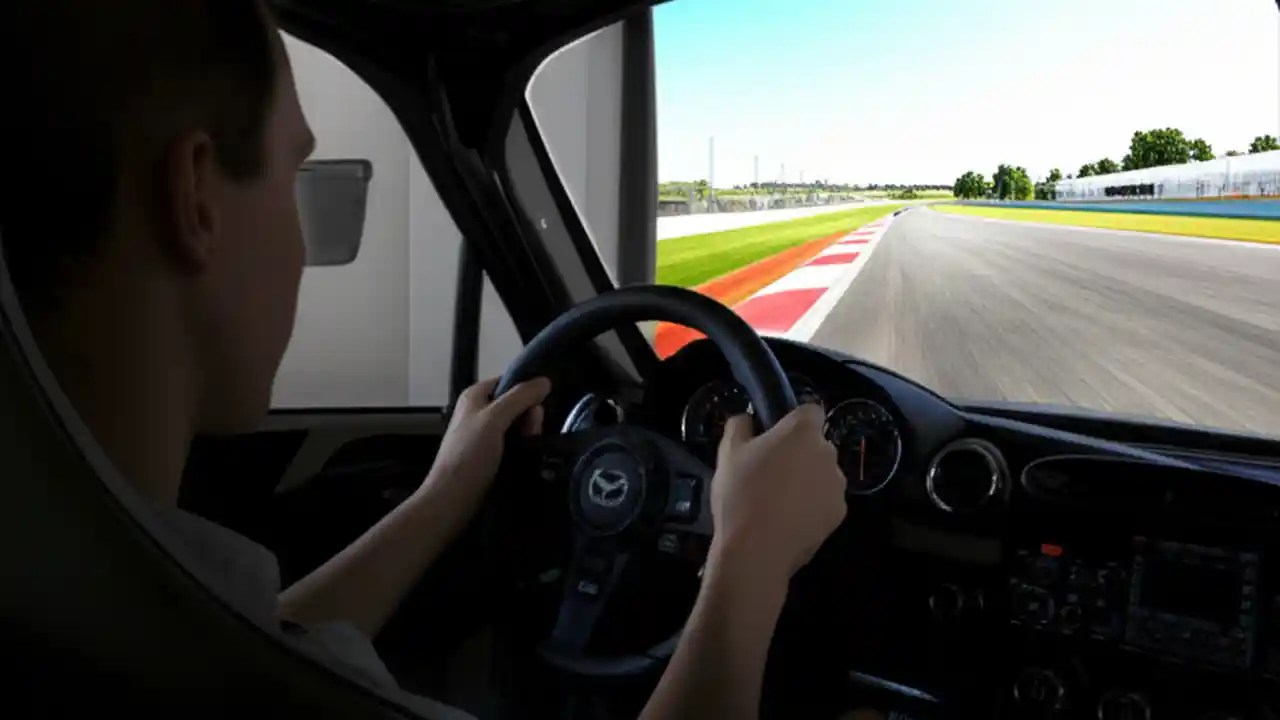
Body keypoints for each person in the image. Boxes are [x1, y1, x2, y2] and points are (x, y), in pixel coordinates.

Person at [0, 1, 847, 718]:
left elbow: (276, 642)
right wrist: (750, 558)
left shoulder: (88, 583)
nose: (302, 243)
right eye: (298, 180)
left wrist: (446, 491)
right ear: (196, 199)